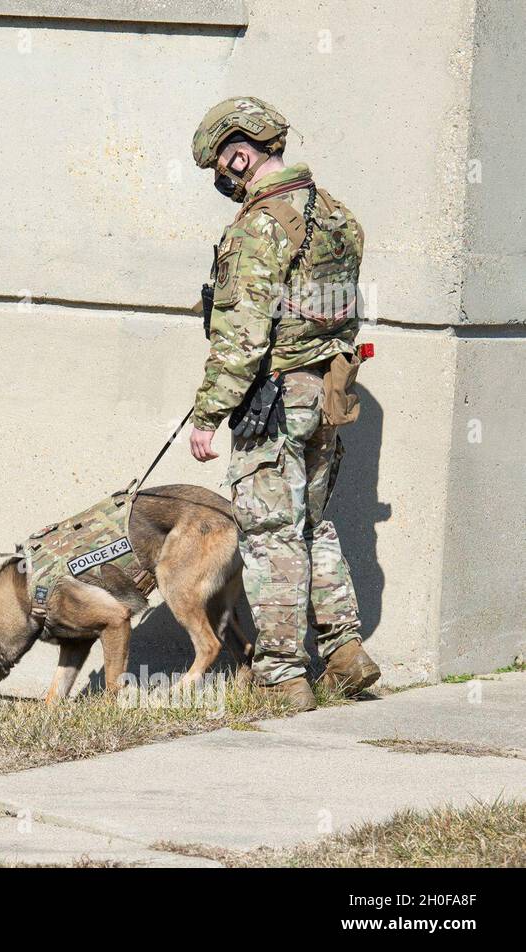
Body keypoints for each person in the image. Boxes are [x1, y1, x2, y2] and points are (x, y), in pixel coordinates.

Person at [187, 96, 380, 712]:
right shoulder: (337, 215)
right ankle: (346, 654)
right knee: (314, 524)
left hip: (274, 399)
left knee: (270, 533)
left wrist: (208, 414)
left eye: (221, 164)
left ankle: (282, 676)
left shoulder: (260, 225)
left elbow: (243, 332)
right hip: (329, 392)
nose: (224, 177)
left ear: (239, 152)